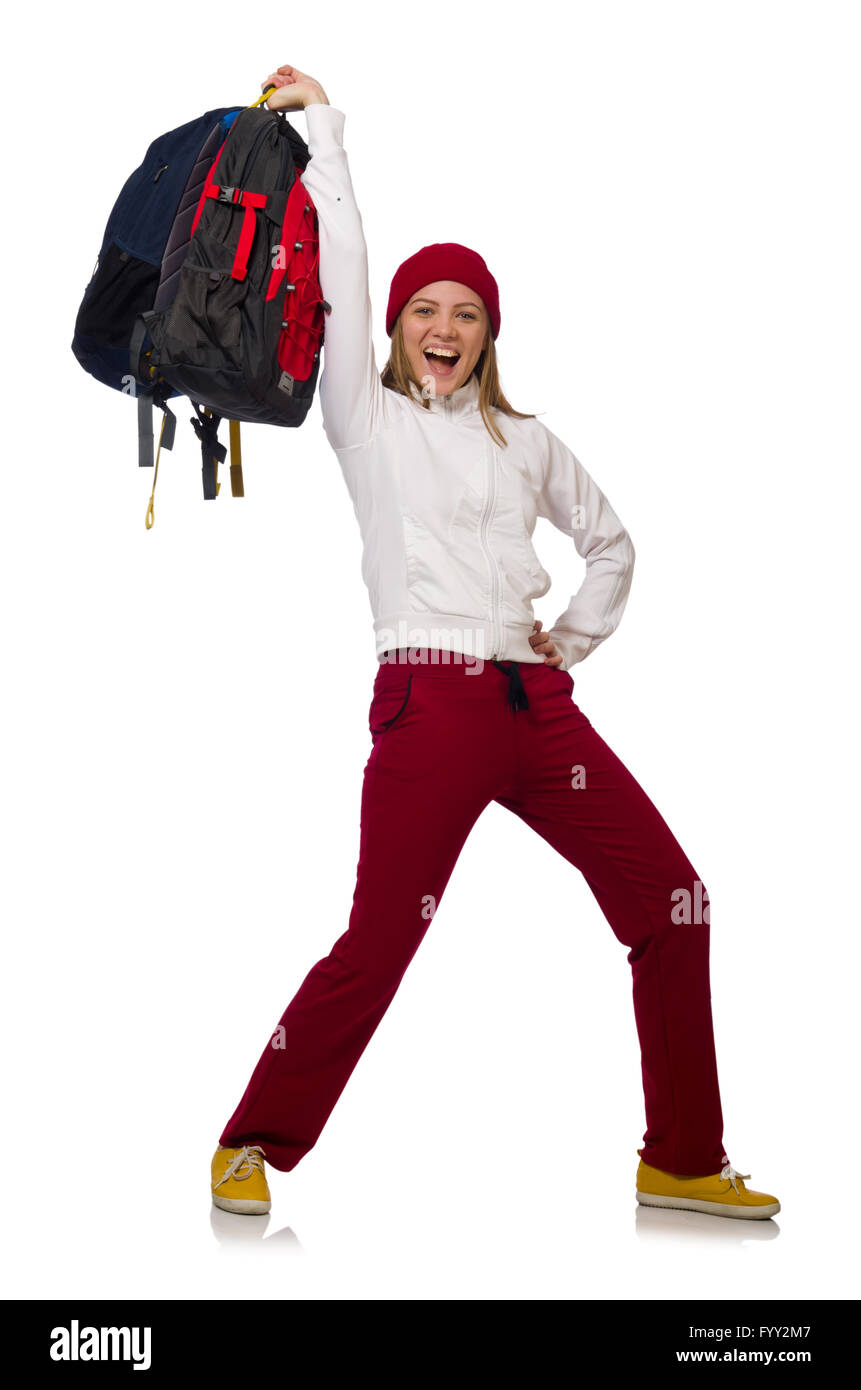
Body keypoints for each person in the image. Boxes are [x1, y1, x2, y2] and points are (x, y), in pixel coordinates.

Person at [211, 64, 780, 1222]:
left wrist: (567, 644)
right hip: (431, 708)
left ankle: (680, 1155)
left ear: (489, 336)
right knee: (382, 939)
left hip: (541, 713)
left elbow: (615, 544)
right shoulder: (364, 423)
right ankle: (251, 1136)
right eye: (427, 310)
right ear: (398, 326)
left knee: (674, 899)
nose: (444, 328)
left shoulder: (526, 439)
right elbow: (353, 260)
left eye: (466, 314)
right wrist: (324, 130)